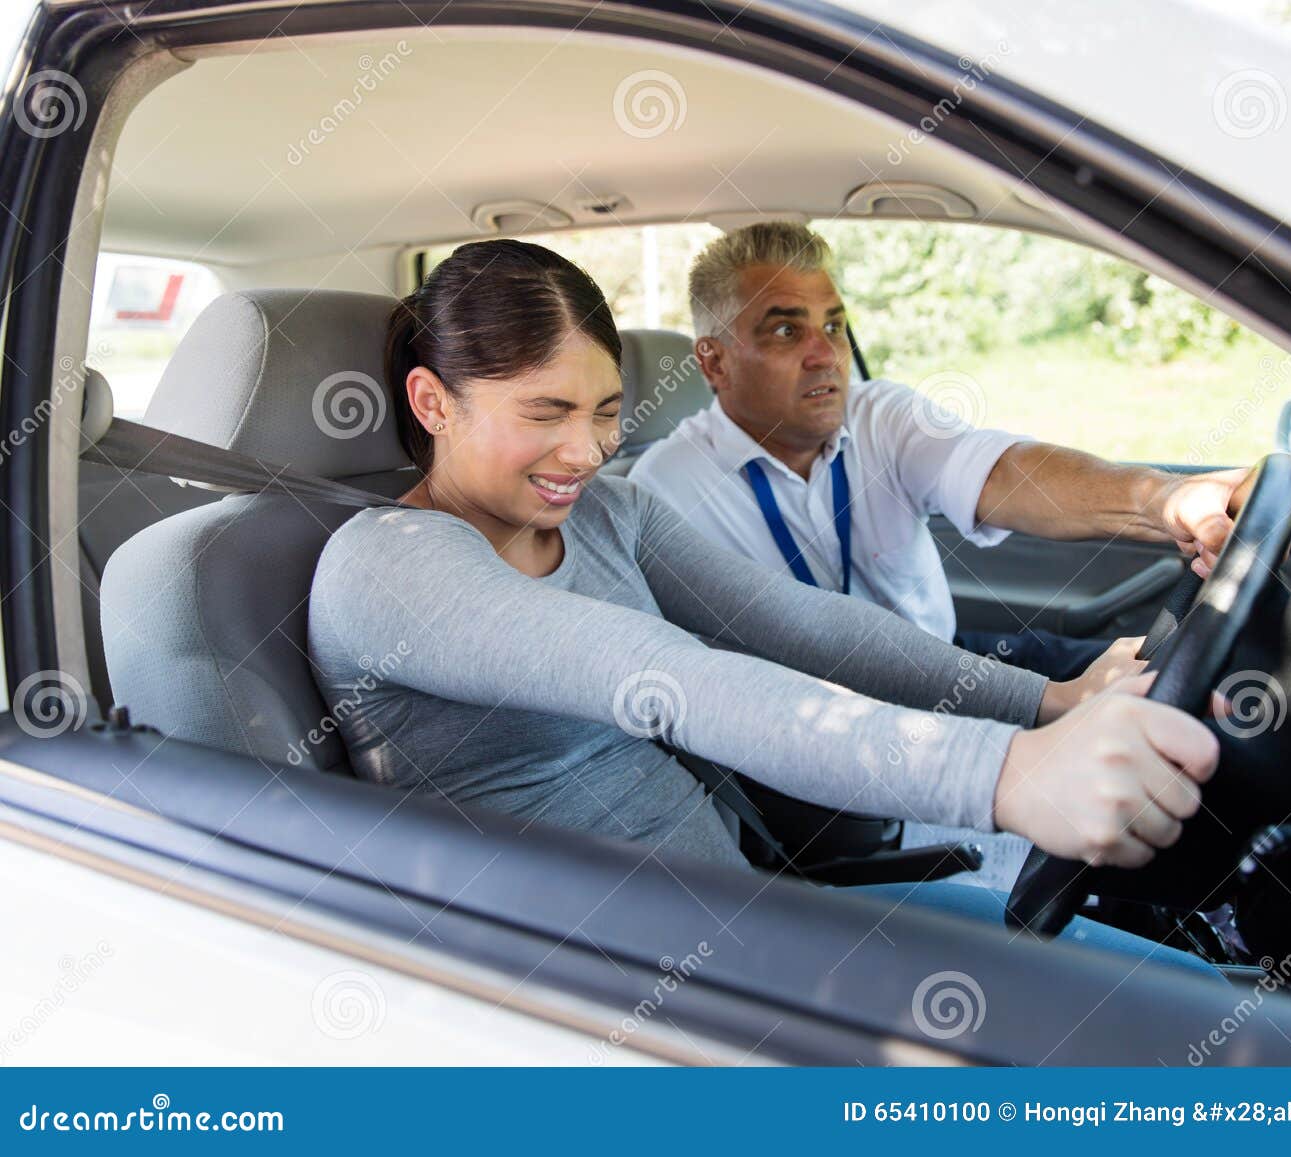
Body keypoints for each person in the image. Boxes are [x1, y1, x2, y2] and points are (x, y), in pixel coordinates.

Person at [306, 239, 1223, 975]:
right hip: (592, 980)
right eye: (546, 412)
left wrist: (1046, 701)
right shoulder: (387, 565)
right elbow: (668, 679)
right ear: (432, 402)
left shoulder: (610, 512)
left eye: (607, 411)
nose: (585, 451)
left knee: (1181, 997)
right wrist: (1009, 774)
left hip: (747, 914)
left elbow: (800, 626)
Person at [630, 222, 1291, 681]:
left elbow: (1005, 472)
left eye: (834, 326)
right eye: (785, 330)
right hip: (812, 723)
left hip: (946, 667)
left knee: (1183, 676)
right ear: (713, 363)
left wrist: (1164, 499)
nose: (824, 354)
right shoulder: (663, 494)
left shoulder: (880, 416)